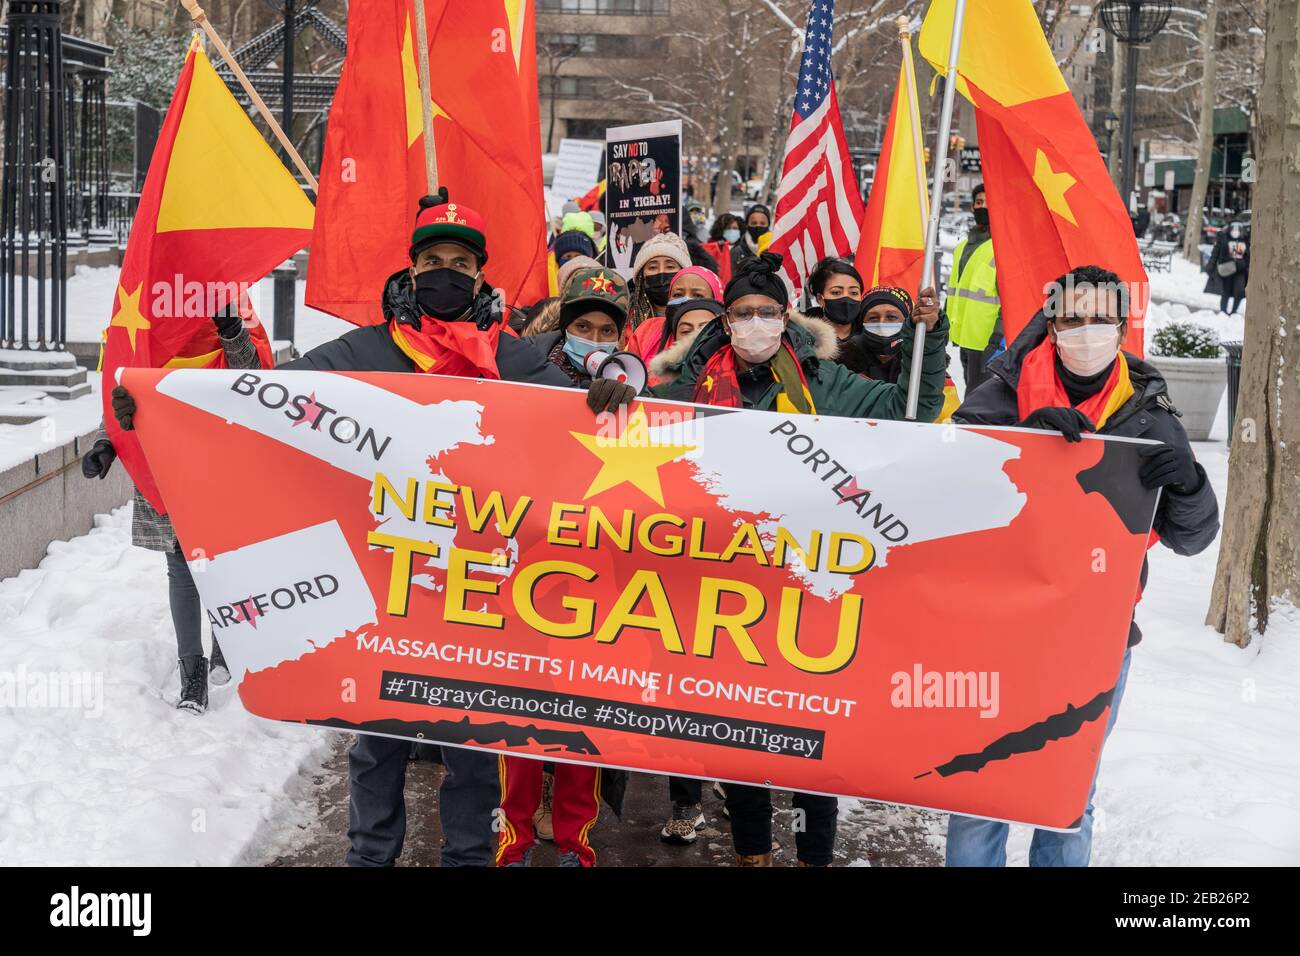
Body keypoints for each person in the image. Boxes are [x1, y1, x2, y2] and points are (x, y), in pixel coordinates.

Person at [109, 190, 637, 868]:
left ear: (479, 275)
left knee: (472, 753)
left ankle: (469, 860)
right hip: (384, 583)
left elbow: (590, 431)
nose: (443, 272)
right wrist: (156, 405)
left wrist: (614, 404)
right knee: (378, 742)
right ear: (411, 270)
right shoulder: (362, 349)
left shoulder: (511, 358)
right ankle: (369, 857)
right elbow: (265, 401)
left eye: (458, 261)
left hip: (475, 593)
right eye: (431, 259)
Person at [650, 252, 947, 865]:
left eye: (766, 312)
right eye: (742, 314)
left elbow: (910, 412)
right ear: (724, 322)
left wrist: (928, 337)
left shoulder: (825, 382)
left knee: (813, 742)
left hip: (807, 585)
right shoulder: (689, 381)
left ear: (785, 318)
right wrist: (611, 398)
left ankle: (813, 857)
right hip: (722, 590)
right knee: (738, 738)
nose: (755, 323)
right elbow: (636, 435)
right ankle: (752, 854)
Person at [947, 265, 1220, 867]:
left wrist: (1191, 483)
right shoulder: (1000, 392)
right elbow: (948, 491)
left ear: (1123, 326)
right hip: (998, 625)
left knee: (1069, 794)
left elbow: (1194, 540)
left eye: (1102, 318)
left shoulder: (1152, 416)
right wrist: (1023, 440)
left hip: (1095, 635)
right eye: (1074, 317)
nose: (1087, 330)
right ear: (1052, 323)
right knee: (977, 791)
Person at [90, 305, 264, 714]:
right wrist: (105, 444)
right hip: (163, 465)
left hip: (221, 462)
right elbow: (123, 391)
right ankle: (193, 677)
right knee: (181, 568)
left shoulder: (229, 304)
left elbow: (254, 378)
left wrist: (231, 327)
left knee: (223, 565)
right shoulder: (143, 318)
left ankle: (227, 646)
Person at [529, 264, 629, 387]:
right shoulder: (526, 364)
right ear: (565, 326)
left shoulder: (630, 378)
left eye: (607, 331)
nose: (594, 341)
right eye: (583, 327)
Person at [946, 182, 1001, 393]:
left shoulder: (1002, 247)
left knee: (981, 399)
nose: (983, 207)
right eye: (979, 202)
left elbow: (1009, 300)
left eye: (989, 203)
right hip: (966, 338)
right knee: (971, 393)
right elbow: (955, 291)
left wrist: (997, 339)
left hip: (989, 342)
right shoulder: (963, 246)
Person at [624, 265, 722, 365]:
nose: (686, 301)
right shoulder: (647, 331)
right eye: (678, 295)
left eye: (697, 295)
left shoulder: (726, 347)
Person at [626, 232, 692, 332]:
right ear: (641, 276)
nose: (661, 273)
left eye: (670, 267)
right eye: (653, 267)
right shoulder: (626, 321)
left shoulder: (700, 316)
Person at [1205, 220, 1249, 315]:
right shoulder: (1224, 238)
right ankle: (1223, 311)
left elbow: (1249, 255)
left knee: (1240, 291)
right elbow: (1216, 253)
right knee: (1226, 291)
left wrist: (1244, 264)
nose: (1235, 231)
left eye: (1238, 229)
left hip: (1240, 270)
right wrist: (1211, 266)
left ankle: (1233, 311)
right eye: (1234, 228)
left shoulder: (1245, 239)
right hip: (1227, 268)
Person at [732, 203, 771, 273]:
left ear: (768, 225)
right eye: (754, 223)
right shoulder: (737, 251)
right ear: (747, 224)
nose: (758, 226)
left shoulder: (775, 249)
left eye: (762, 223)